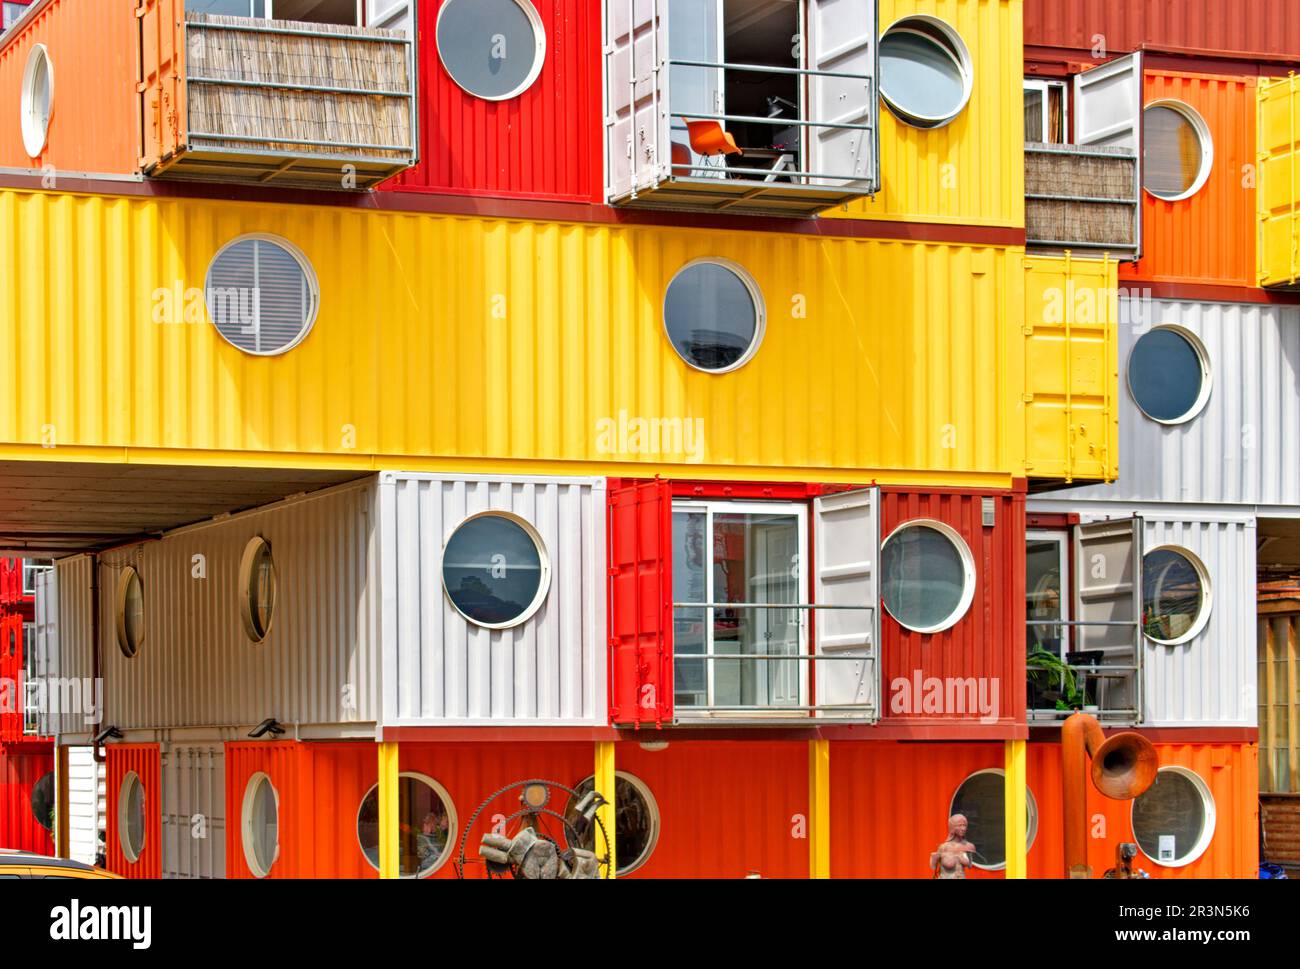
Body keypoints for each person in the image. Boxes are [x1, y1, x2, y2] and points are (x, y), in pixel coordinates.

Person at [929, 814, 976, 879]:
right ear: (952, 827)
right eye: (959, 825)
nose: (963, 828)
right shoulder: (944, 847)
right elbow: (933, 867)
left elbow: (970, 865)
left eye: (964, 825)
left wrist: (963, 859)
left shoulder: (969, 846)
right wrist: (934, 858)